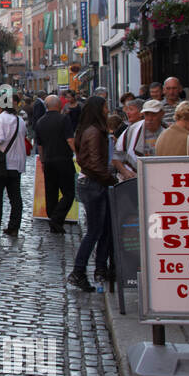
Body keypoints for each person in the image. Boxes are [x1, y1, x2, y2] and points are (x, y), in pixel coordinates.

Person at [68, 97, 114, 292]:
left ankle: (101, 268)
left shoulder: (88, 130)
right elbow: (94, 163)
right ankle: (79, 271)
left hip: (93, 182)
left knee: (104, 228)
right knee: (95, 230)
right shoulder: (94, 132)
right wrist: (110, 179)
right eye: (105, 107)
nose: (107, 110)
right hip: (94, 183)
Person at [0, 93, 27, 236]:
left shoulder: (0, 119)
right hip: (17, 163)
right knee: (15, 197)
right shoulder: (20, 120)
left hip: (2, 163)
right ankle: (14, 227)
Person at [35, 94, 75, 234]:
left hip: (49, 161)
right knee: (69, 193)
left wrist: (43, 160)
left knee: (50, 192)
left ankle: (54, 220)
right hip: (63, 159)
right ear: (59, 105)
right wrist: (78, 153)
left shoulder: (40, 121)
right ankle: (56, 219)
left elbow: (39, 145)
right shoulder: (64, 119)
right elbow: (70, 140)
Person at [114, 99, 165, 179]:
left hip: (160, 177)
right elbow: (116, 156)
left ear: (162, 114)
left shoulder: (168, 131)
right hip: (133, 179)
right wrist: (125, 171)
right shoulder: (132, 129)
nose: (150, 118)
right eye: (147, 114)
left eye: (154, 114)